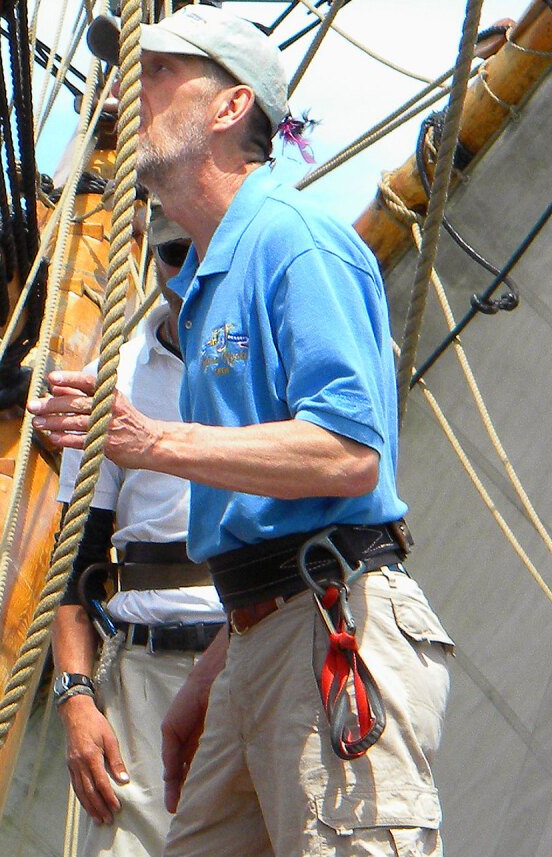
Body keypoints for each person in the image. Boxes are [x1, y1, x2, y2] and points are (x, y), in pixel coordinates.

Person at [31, 6, 451, 855]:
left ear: (231, 107)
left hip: (332, 628)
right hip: (258, 637)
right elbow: (266, 527)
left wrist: (151, 442)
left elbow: (349, 453)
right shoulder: (212, 280)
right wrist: (218, 674)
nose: (125, 93)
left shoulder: (296, 244)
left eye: (156, 73)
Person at [50, 208, 222, 857]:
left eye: (205, 244)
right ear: (149, 254)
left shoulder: (275, 356)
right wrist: (76, 697)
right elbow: (75, 568)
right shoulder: (115, 380)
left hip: (263, 654)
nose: (191, 268)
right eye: (174, 251)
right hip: (146, 680)